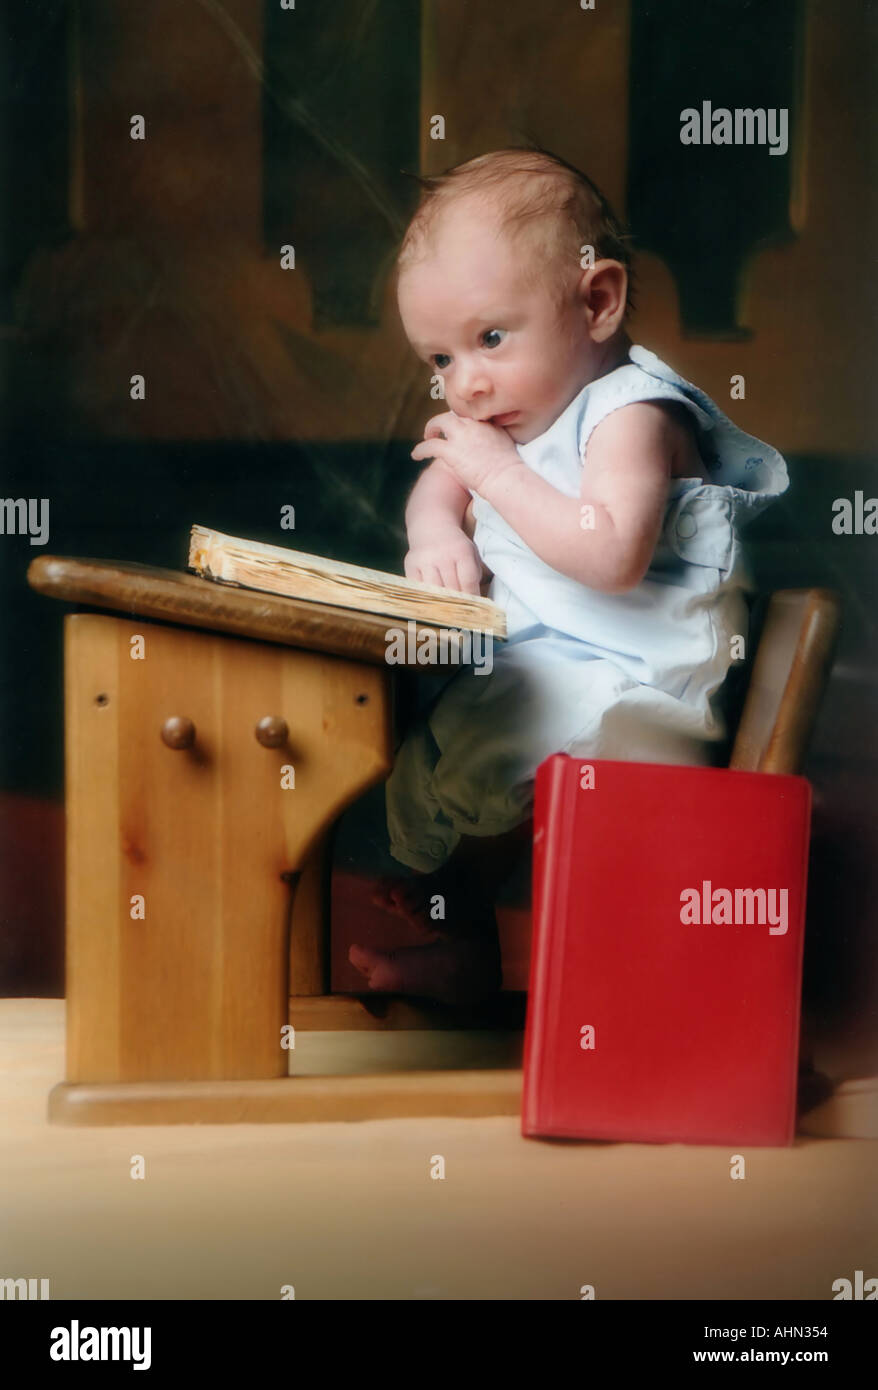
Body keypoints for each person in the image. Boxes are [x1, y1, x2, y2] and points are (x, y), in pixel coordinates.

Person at [348, 148, 789, 1004]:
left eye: (489, 338)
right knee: (434, 740)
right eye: (438, 360)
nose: (465, 384)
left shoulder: (631, 412)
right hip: (553, 666)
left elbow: (612, 556)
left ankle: (570, 977)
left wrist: (496, 476)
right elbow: (432, 490)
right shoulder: (507, 409)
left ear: (597, 301)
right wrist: (435, 532)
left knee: (497, 736)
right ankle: (465, 947)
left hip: (641, 683)